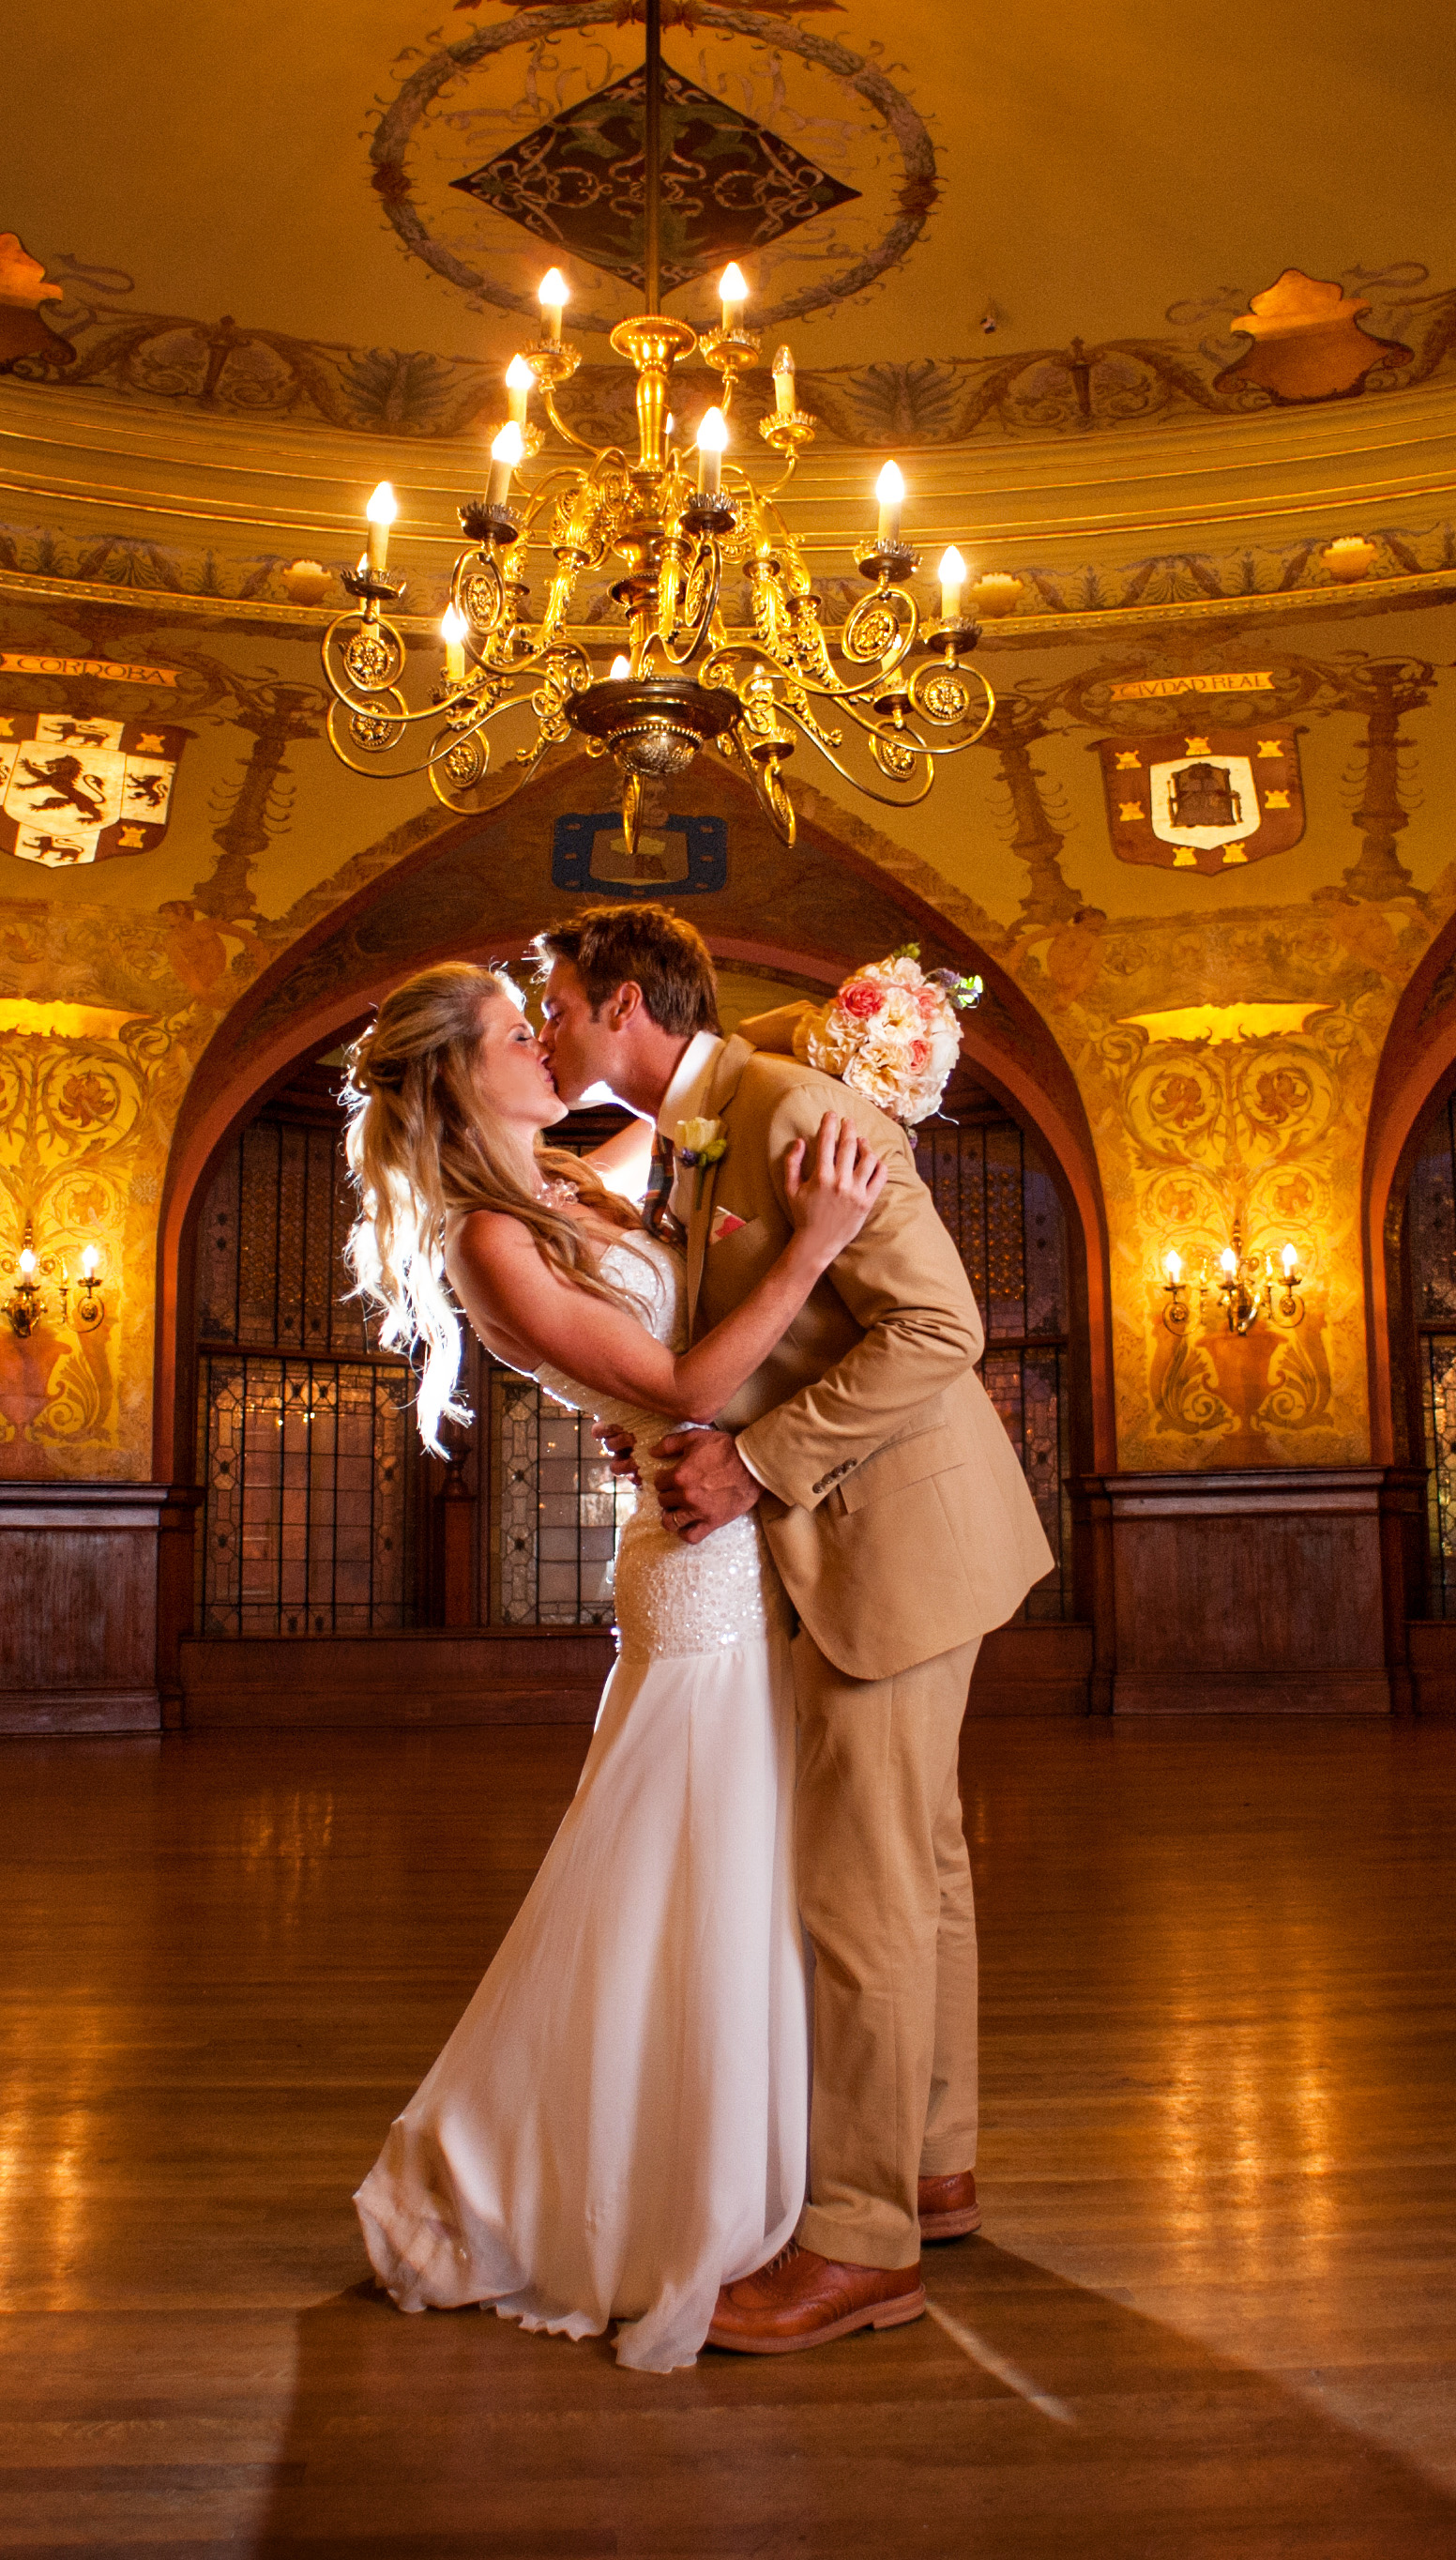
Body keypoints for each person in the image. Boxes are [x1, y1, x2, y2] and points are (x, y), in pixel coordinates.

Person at [340, 956, 889, 2371]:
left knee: (725, 1875)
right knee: (686, 1879)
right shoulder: (485, 1237)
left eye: (549, 1021)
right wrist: (822, 1242)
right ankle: (614, 2189)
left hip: (724, 1537)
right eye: (523, 1035)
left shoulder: (570, 1181)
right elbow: (688, 1386)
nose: (550, 1047)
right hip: (691, 1570)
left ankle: (735, 2160)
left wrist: (868, 1018)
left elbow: (694, 1090)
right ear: (460, 1074)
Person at [529, 904, 1054, 2358]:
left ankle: (862, 2248)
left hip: (893, 1541)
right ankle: (931, 2163)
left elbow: (941, 1330)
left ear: (624, 1000)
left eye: (556, 1002)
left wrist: (757, 1464)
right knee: (921, 1867)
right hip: (887, 1534)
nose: (545, 1026)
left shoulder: (798, 1112)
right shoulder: (719, 1106)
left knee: (861, 1894)